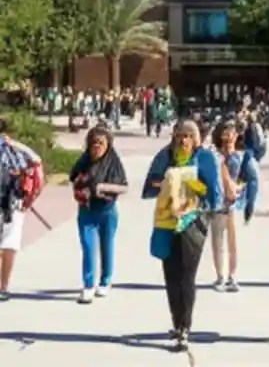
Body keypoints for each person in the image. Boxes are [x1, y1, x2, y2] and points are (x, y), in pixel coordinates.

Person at [142, 120, 223, 352]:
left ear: (197, 138)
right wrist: (167, 182)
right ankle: (176, 322)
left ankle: (185, 328)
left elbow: (212, 193)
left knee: (187, 275)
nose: (184, 140)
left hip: (192, 223)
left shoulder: (205, 158)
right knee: (170, 274)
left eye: (189, 136)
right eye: (180, 136)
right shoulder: (165, 156)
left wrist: (191, 185)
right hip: (167, 221)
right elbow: (150, 186)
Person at [68, 126, 129, 304]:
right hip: (87, 210)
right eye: (94, 142)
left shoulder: (113, 163)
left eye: (101, 143)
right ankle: (88, 285)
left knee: (106, 245)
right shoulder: (84, 161)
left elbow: (124, 187)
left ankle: (105, 281)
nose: (97, 146)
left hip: (107, 210)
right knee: (88, 247)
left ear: (108, 144)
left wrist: (102, 187)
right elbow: (74, 178)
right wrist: (80, 188)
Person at [0, 117, 43, 301]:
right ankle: (3, 287)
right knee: (9, 246)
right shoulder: (15, 149)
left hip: (8, 202)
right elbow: (37, 162)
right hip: (15, 204)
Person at [209, 121, 244, 292]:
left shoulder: (241, 157)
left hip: (234, 203)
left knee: (233, 241)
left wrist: (239, 187)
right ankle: (220, 276)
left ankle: (232, 275)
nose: (229, 136)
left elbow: (246, 178)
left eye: (232, 133)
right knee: (218, 240)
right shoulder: (215, 156)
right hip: (217, 202)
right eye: (226, 133)